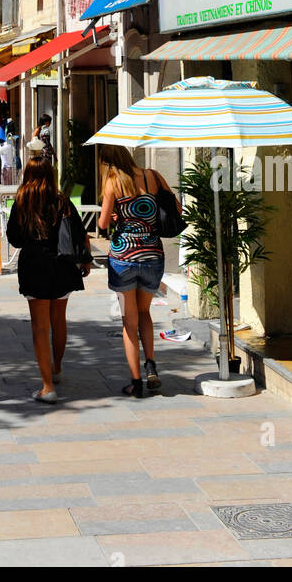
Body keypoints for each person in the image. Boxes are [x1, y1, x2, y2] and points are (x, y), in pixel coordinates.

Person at [6, 156, 92, 403]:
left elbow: (15, 238)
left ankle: (47, 387)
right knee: (59, 320)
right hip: (62, 265)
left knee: (40, 327)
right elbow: (79, 232)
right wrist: (85, 261)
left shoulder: (22, 202)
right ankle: (56, 368)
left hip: (35, 266)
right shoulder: (62, 200)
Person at [98, 145, 180, 398]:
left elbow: (101, 224)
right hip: (152, 255)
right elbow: (176, 207)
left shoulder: (113, 183)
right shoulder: (152, 176)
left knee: (128, 322)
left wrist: (115, 217)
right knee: (145, 312)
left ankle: (136, 382)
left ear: (110, 162)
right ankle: (151, 365)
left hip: (123, 258)